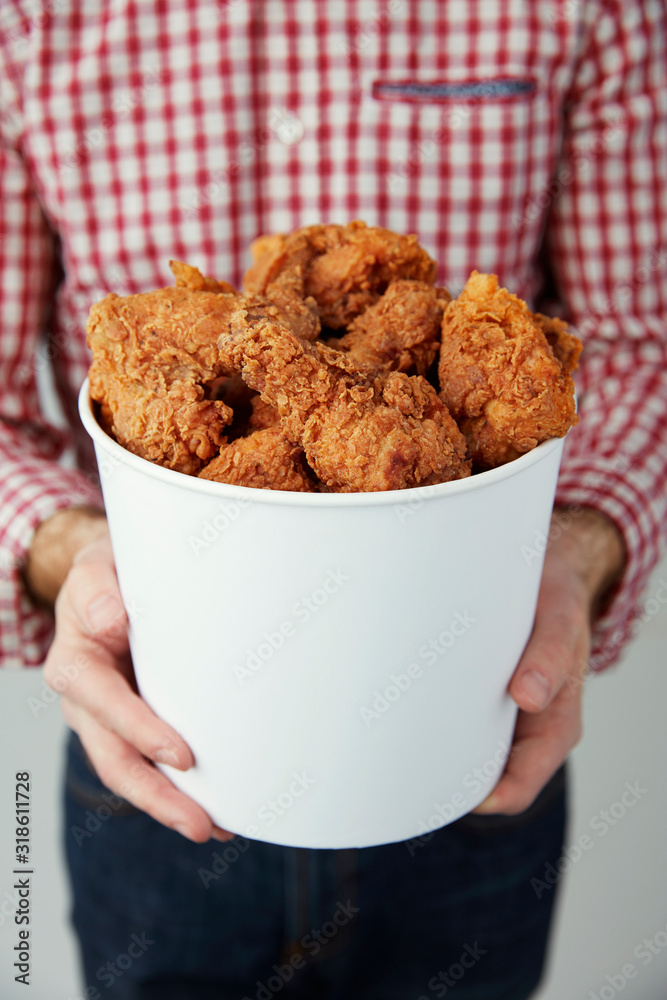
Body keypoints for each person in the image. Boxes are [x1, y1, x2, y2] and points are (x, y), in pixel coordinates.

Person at [1, 1, 665, 997]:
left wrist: (575, 551)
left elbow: (640, 348)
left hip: (468, 739)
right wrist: (72, 556)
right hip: (158, 749)